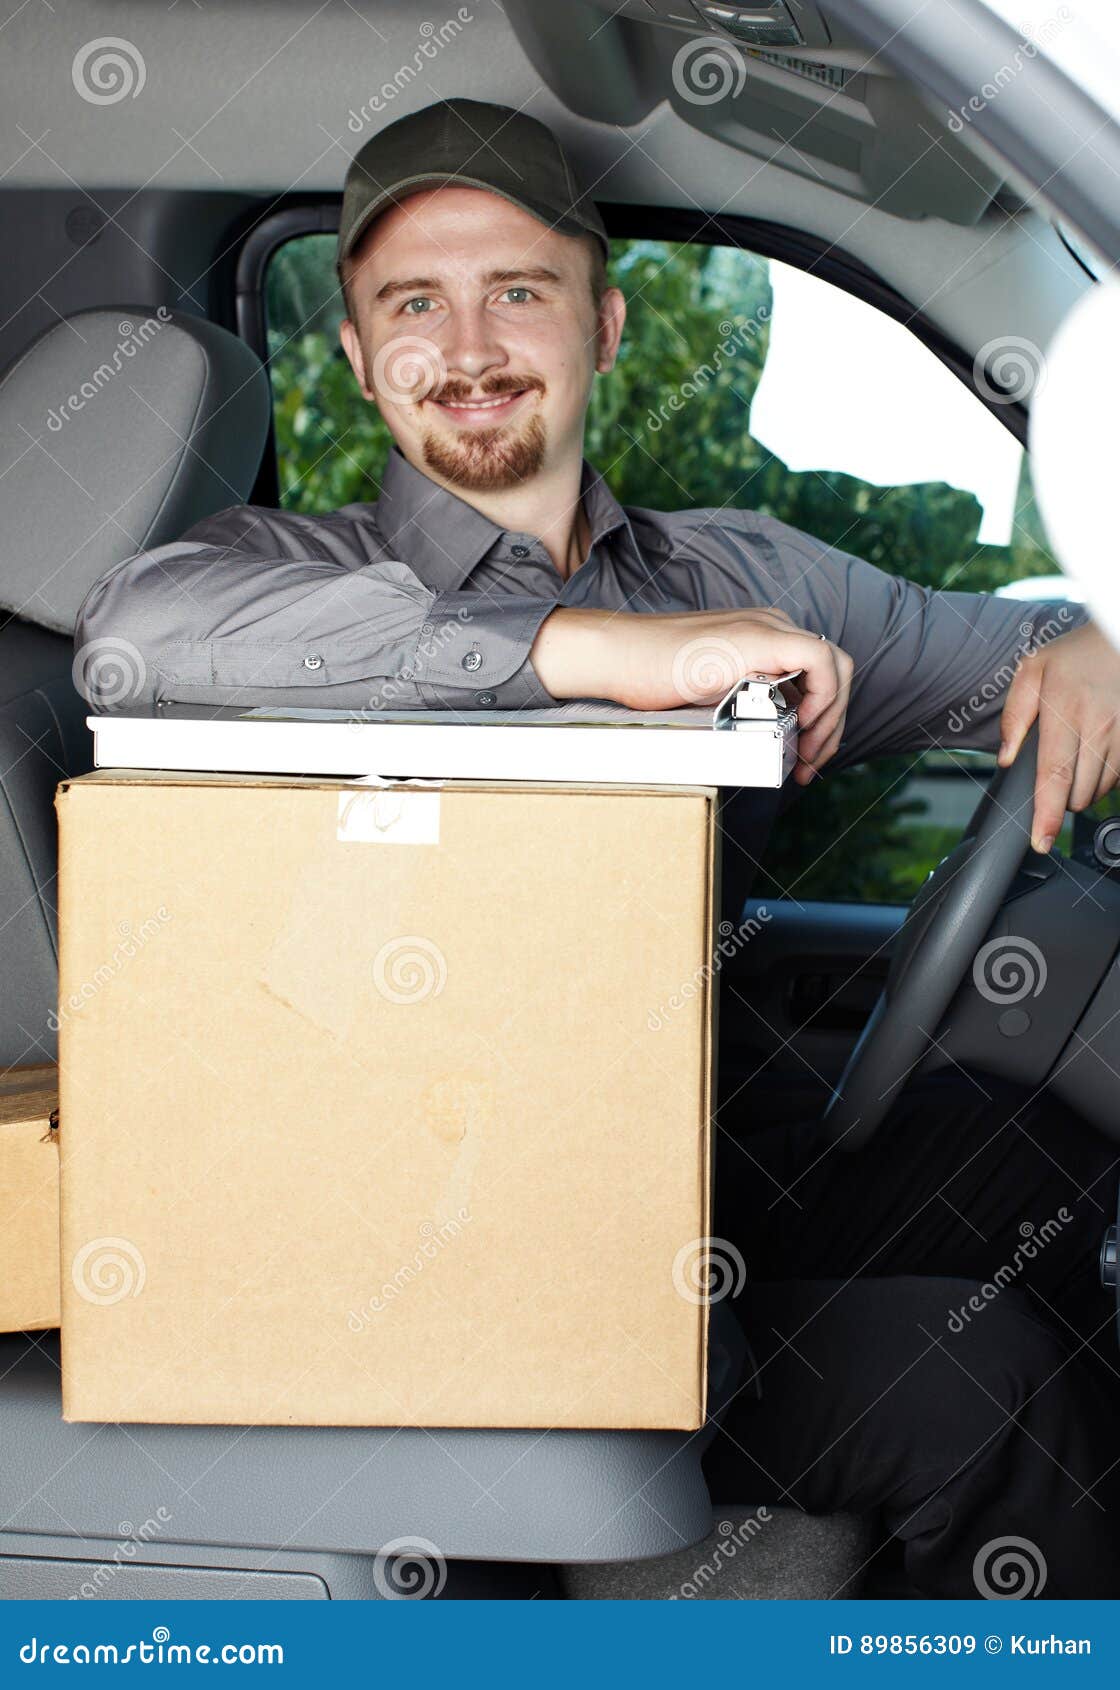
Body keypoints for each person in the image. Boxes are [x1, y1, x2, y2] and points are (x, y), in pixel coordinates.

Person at [75, 99, 1120, 1597]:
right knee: (988, 1385)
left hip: (729, 1181)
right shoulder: (282, 578)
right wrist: (602, 656)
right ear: (362, 358)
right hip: (493, 1270)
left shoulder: (745, 575)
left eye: (520, 290)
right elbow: (130, 638)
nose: (473, 342)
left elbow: (1011, 664)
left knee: (1042, 1141)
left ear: (605, 325)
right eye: (414, 305)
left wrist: (1097, 638)